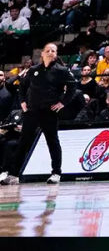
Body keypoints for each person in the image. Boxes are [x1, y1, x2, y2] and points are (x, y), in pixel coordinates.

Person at [0, 43, 75, 184]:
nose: (50, 52)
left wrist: (62, 103)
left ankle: (56, 173)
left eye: (53, 51)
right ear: (42, 53)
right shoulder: (34, 69)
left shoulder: (62, 70)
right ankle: (14, 175)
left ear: (56, 54)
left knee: (52, 142)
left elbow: (72, 87)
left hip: (49, 112)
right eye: (48, 50)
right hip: (32, 111)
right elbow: (22, 86)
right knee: (23, 142)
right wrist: (23, 101)